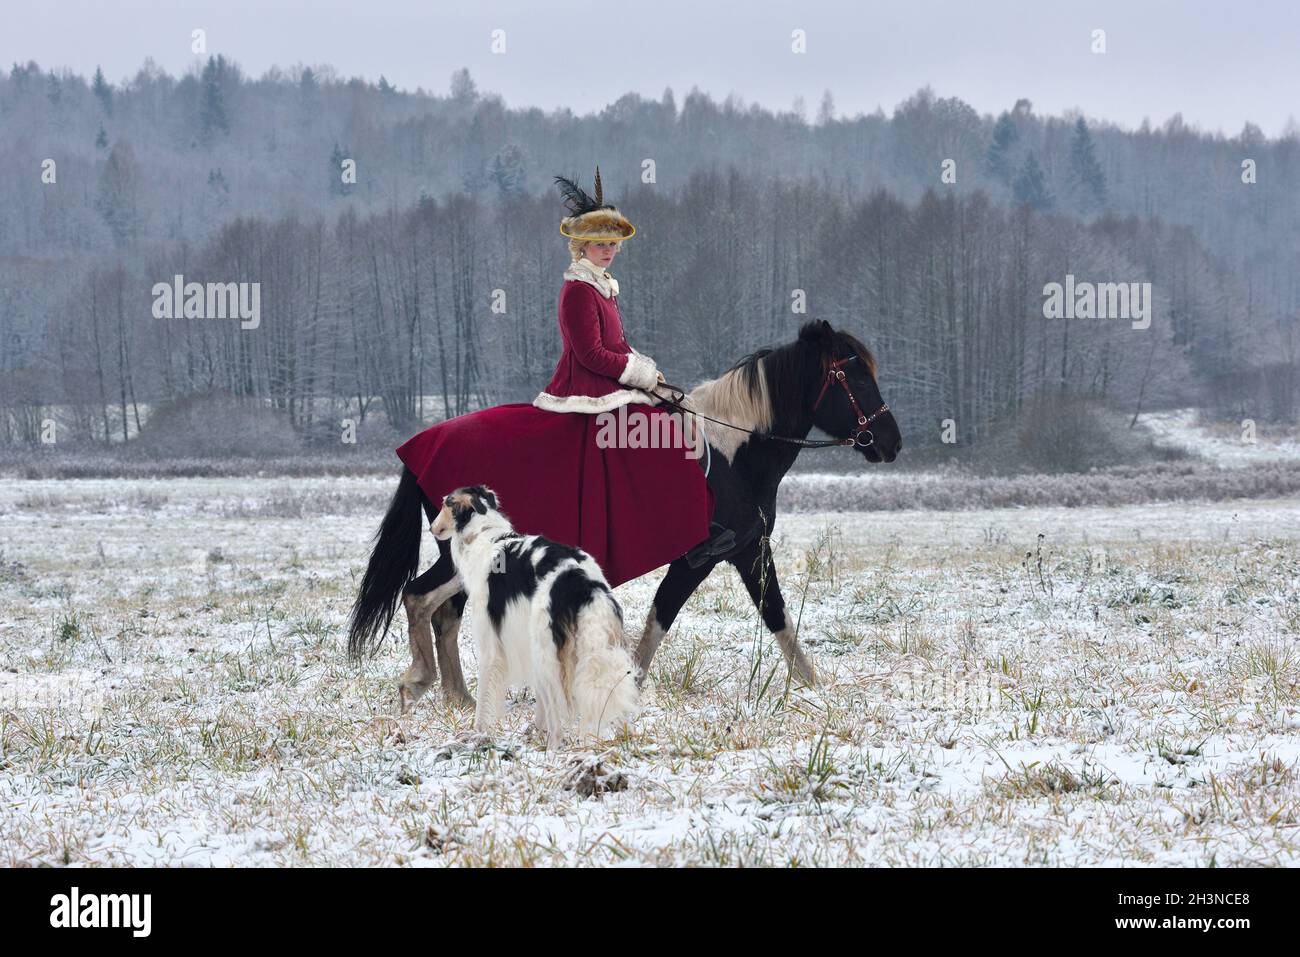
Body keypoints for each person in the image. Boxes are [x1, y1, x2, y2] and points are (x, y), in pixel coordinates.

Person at [395, 167, 760, 588]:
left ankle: (695, 526)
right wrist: (637, 374)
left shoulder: (603, 287)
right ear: (581, 245)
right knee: (661, 437)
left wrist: (649, 373)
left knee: (679, 425)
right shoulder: (578, 291)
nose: (609, 251)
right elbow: (590, 355)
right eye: (600, 244)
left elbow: (617, 346)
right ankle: (690, 532)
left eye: (613, 244)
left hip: (612, 387)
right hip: (587, 393)